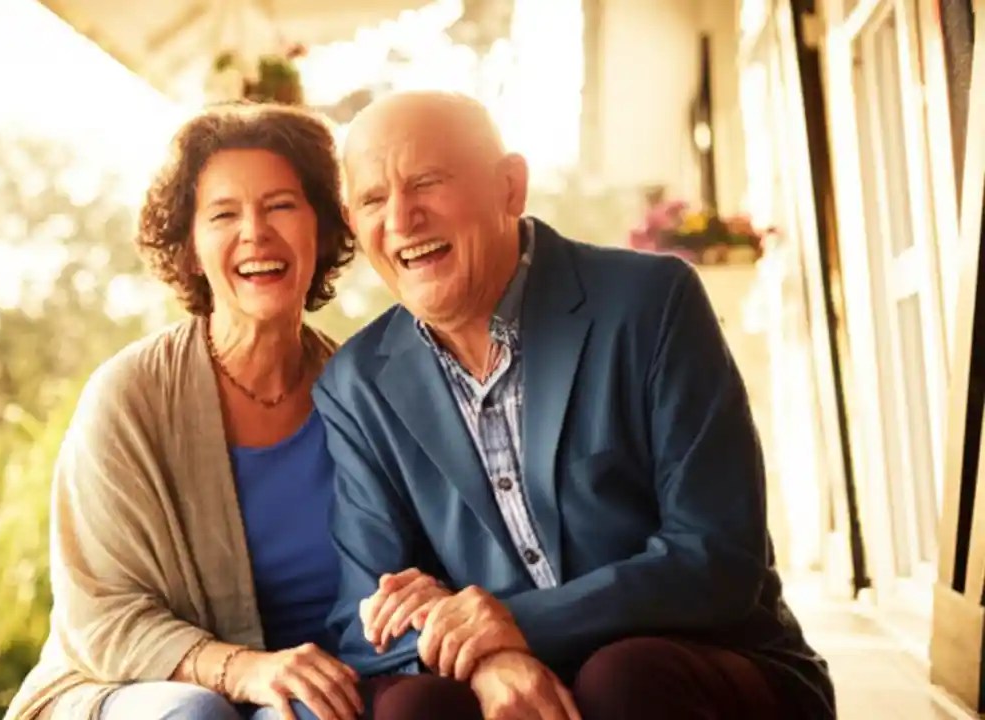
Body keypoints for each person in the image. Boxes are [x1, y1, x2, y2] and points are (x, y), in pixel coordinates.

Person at [312, 91, 836, 719]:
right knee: (414, 707)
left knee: (621, 677)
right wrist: (486, 655)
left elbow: (716, 557)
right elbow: (364, 619)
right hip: (512, 685)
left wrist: (519, 624)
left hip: (701, 663)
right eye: (373, 200)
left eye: (427, 182)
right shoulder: (356, 383)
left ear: (511, 187)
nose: (400, 219)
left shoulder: (650, 303)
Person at [4, 102, 481, 720]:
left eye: (281, 206)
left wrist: (424, 589)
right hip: (139, 686)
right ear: (192, 247)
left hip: (318, 689)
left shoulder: (364, 392)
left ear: (324, 230)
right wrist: (246, 669)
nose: (255, 232)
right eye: (224, 214)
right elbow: (101, 615)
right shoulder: (129, 396)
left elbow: (420, 560)